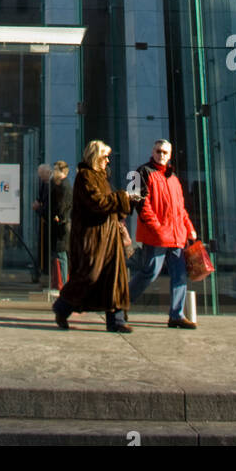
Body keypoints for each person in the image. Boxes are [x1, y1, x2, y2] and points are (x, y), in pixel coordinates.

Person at [52, 140, 137, 334]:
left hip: (110, 237)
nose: (108, 161)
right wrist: (123, 198)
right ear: (95, 157)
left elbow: (108, 203)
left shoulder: (101, 177)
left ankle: (116, 319)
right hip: (93, 237)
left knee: (114, 278)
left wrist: (125, 204)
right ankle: (62, 307)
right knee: (89, 276)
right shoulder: (85, 177)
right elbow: (97, 202)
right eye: (105, 157)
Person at [128, 139, 198, 330]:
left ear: (170, 154)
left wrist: (188, 227)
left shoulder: (173, 178)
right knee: (150, 272)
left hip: (176, 235)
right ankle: (122, 301)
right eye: (159, 151)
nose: (162, 155)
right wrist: (157, 228)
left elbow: (180, 208)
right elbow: (142, 205)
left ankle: (177, 314)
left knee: (179, 275)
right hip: (157, 235)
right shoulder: (143, 172)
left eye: (165, 152)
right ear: (153, 151)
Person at [46, 161, 72, 288]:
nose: (53, 172)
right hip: (60, 223)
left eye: (55, 169)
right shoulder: (58, 184)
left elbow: (64, 204)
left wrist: (59, 216)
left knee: (61, 255)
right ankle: (60, 282)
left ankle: (64, 284)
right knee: (58, 254)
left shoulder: (65, 185)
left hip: (62, 224)